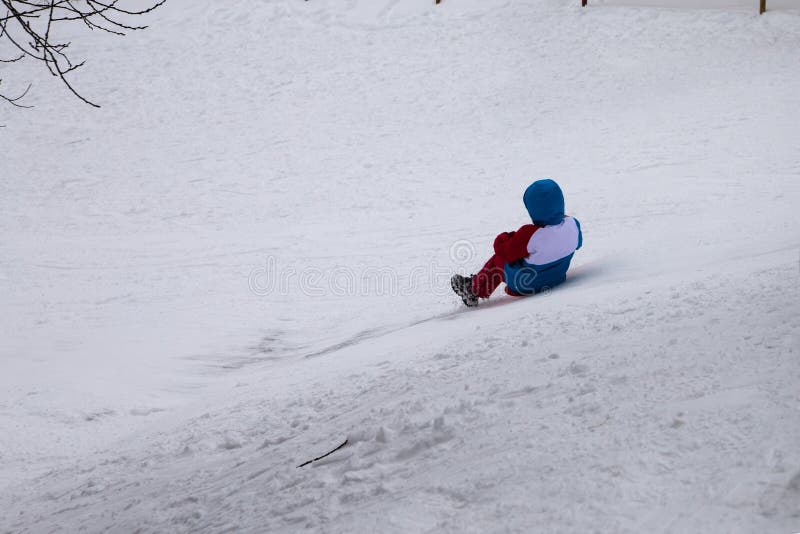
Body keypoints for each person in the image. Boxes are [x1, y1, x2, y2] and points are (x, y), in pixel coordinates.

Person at [450, 179, 582, 307]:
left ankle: (473, 290)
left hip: (526, 284)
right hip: (556, 277)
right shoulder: (573, 225)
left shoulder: (529, 234)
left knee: (499, 260)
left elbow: (502, 249)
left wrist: (507, 237)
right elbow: (575, 243)